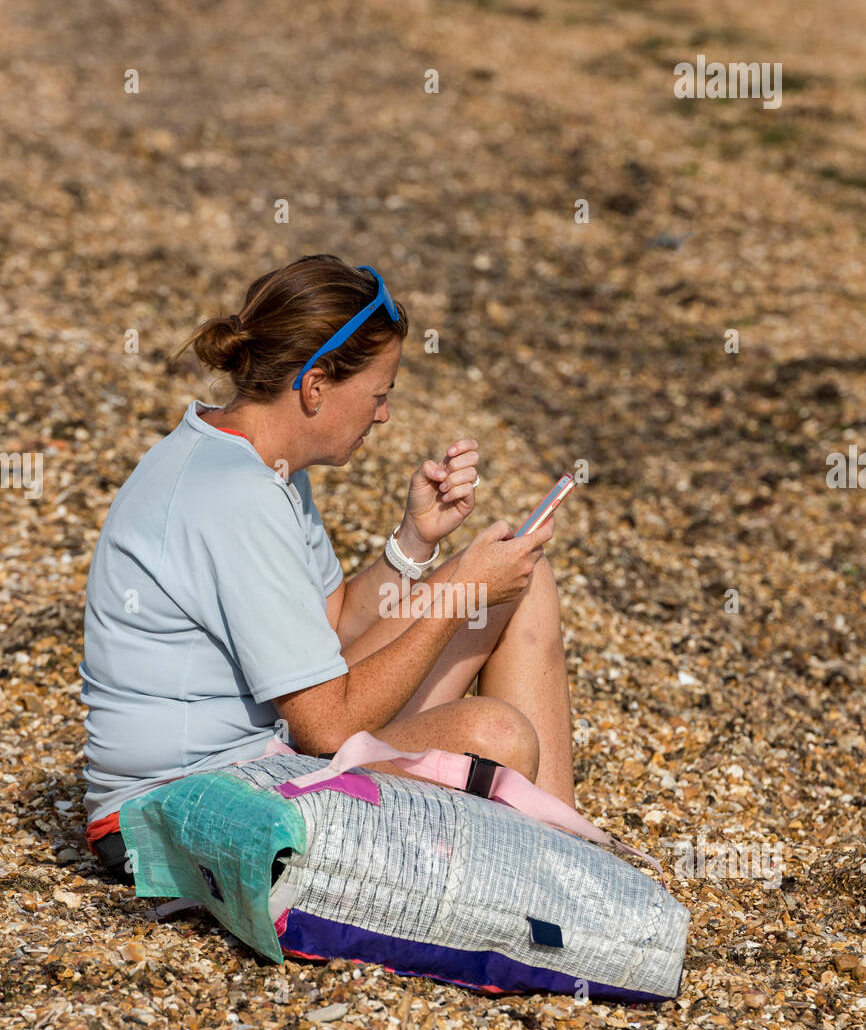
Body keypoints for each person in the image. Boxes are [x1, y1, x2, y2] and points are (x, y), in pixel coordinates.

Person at [80, 254, 575, 883]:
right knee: (494, 736)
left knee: (522, 586)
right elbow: (326, 725)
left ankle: (568, 859)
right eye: (378, 394)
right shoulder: (236, 496)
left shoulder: (259, 465)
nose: (383, 415)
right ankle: (562, 881)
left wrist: (415, 542)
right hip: (179, 810)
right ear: (315, 386)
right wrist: (457, 590)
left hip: (262, 759)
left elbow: (331, 629)